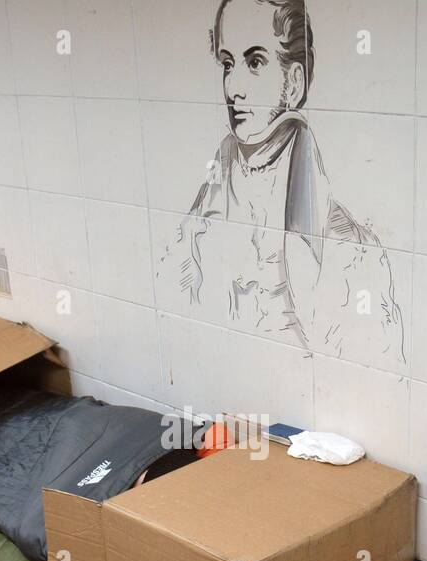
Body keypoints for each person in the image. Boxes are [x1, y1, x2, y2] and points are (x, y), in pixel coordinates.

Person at [158, 0, 404, 366]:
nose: (233, 87)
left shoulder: (352, 252)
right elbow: (171, 322)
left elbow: (374, 380)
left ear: (294, 83)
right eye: (228, 63)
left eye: (254, 62)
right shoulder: (202, 212)